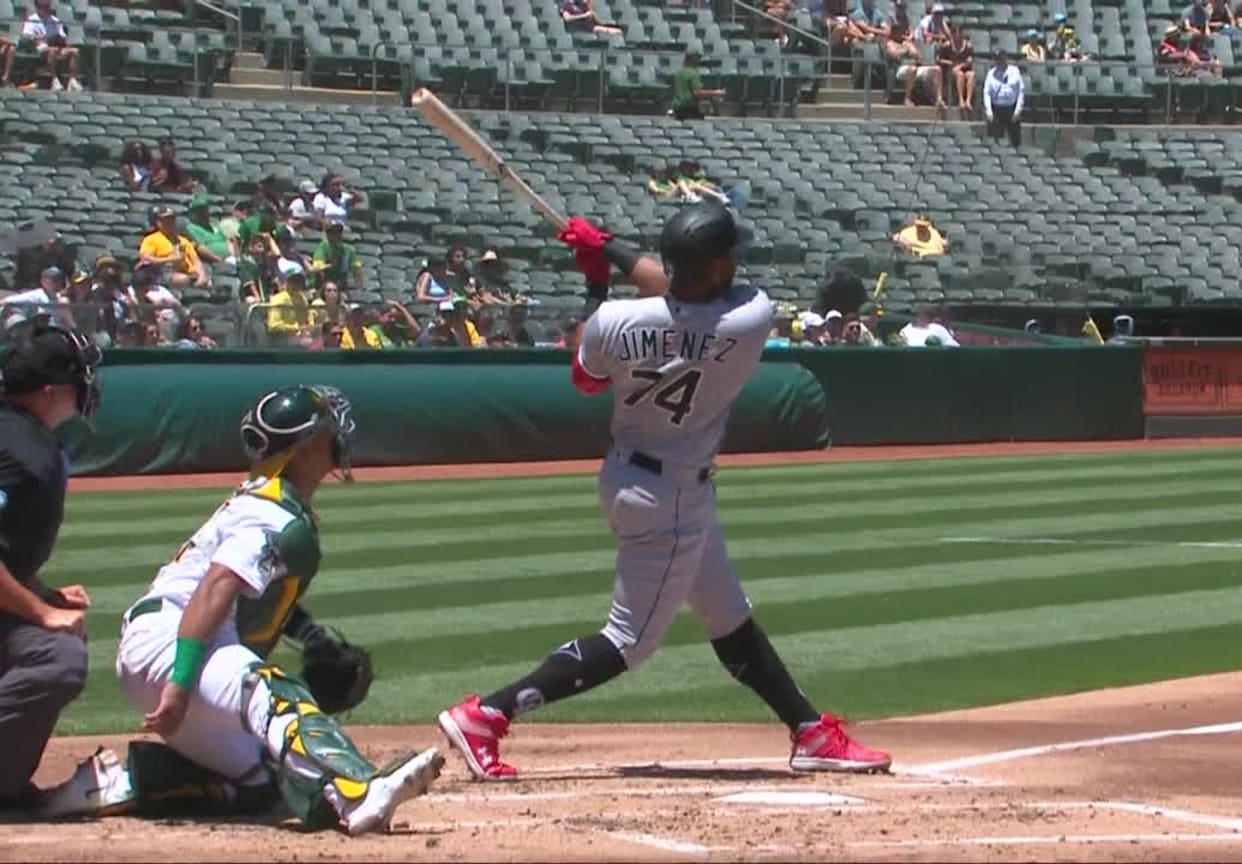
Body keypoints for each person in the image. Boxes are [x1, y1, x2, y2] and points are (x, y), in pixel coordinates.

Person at [435, 203, 892, 780]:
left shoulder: (617, 321)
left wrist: (598, 277)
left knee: (729, 616)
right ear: (720, 265)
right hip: (671, 495)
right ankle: (488, 715)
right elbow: (689, 289)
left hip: (635, 477)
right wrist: (613, 249)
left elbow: (586, 377)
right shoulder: (751, 318)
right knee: (629, 642)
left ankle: (808, 731)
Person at [58, 386, 445, 833]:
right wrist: (181, 682)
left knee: (262, 781)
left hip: (174, 642)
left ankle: (115, 782)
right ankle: (360, 791)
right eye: (326, 427)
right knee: (271, 692)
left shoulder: (272, 503)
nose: (337, 433)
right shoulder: (271, 513)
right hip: (171, 643)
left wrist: (314, 639)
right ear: (304, 448)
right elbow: (216, 586)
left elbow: (249, 596)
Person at [0, 324, 99, 817]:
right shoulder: (23, 453)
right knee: (57, 656)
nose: (86, 390)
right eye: (79, 380)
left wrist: (44, 594)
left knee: (61, 639)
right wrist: (40, 612)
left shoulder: (17, 436)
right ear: (50, 392)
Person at [983, 50, 1025, 148]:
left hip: (1011, 108)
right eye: (997, 59)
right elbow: (987, 93)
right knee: (996, 140)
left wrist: (1017, 111)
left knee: (1015, 140)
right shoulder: (991, 74)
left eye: (1001, 59)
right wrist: (989, 112)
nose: (999, 61)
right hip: (996, 108)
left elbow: (1020, 91)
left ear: (1005, 58)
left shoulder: (1014, 71)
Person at [671, 51, 722, 121]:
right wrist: (715, 93)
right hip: (688, 106)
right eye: (697, 59)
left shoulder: (678, 73)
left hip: (677, 106)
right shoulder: (693, 73)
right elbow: (697, 93)